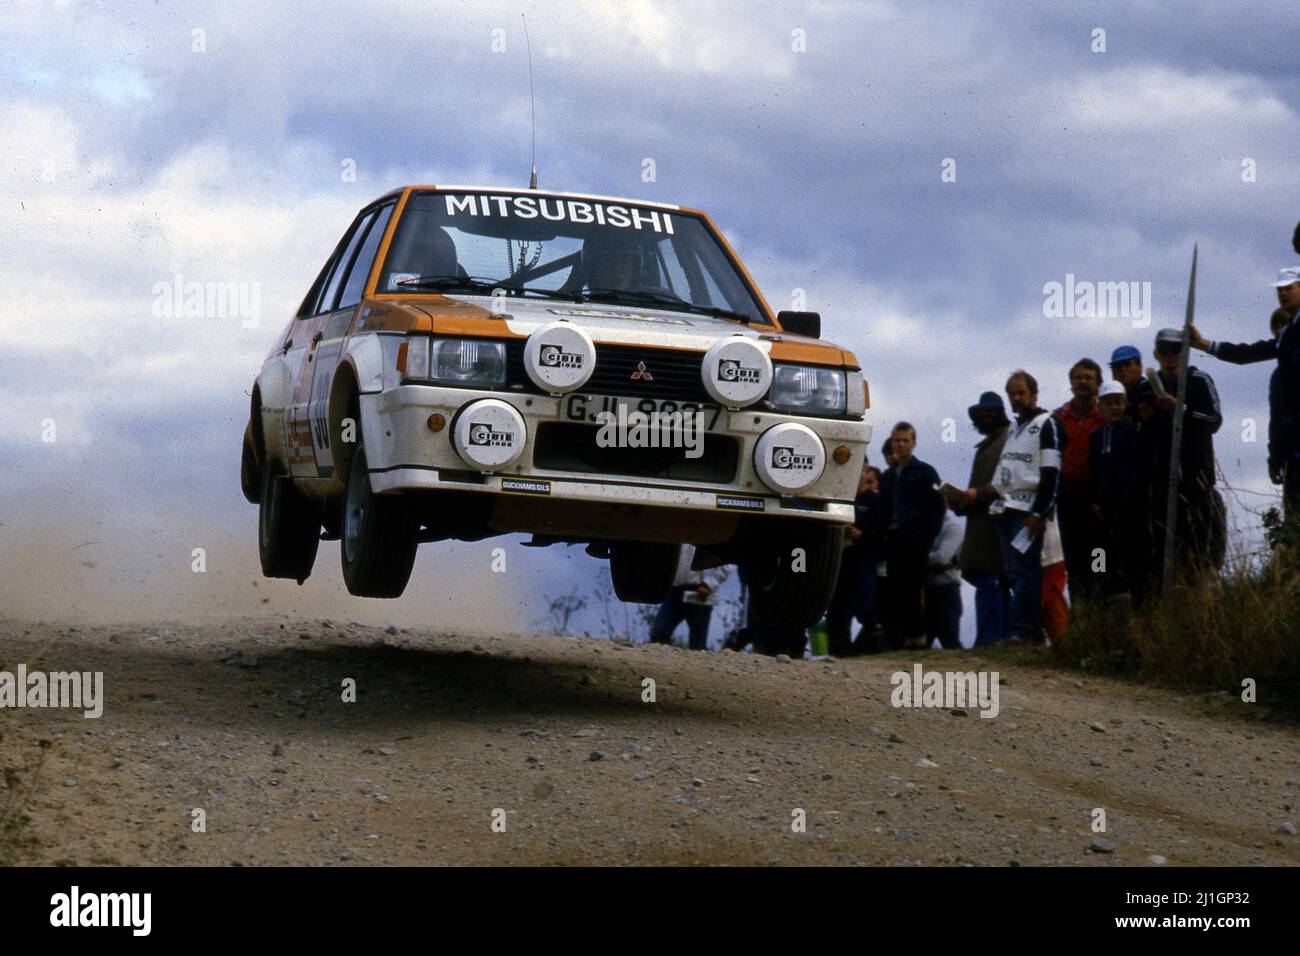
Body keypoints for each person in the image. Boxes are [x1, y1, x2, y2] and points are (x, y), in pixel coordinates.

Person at [1191, 270, 1300, 516]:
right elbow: (1249, 353)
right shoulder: (1290, 334)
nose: (1282, 294)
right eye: (1279, 290)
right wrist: (1205, 345)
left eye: (1289, 288)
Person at [1133, 328, 1223, 587]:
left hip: (1197, 479)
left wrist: (1181, 409)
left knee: (1202, 546)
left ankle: (1205, 604)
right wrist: (1147, 415)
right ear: (1156, 355)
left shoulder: (1198, 380)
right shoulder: (1146, 387)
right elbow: (1137, 431)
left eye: (1177, 351)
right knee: (1164, 548)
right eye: (1165, 351)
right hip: (1161, 481)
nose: (1171, 357)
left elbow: (1214, 420)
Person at [990, 371, 1063, 643]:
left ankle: (1025, 630)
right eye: (1012, 393)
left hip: (1028, 512)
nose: (1016, 398)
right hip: (1006, 509)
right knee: (1012, 573)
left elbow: (1052, 472)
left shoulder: (1047, 424)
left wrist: (1040, 512)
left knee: (1026, 571)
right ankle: (1020, 631)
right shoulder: (1013, 428)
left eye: (1021, 392)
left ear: (1034, 394)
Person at [877, 422, 945, 650]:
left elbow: (937, 508)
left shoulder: (925, 472)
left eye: (906, 440)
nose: (902, 445)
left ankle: (917, 638)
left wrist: (925, 537)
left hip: (915, 539)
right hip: (892, 539)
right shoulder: (887, 476)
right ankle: (898, 640)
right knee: (893, 589)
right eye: (898, 440)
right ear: (892, 442)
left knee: (913, 588)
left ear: (913, 443)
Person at [1089, 380, 1152, 604]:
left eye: (1118, 402)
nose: (1114, 407)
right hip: (1101, 511)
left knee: (1134, 555)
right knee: (1100, 554)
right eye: (1108, 403)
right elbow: (1094, 470)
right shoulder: (1095, 436)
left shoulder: (1133, 430)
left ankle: (1140, 602)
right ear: (1099, 407)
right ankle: (1103, 593)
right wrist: (1094, 500)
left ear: (1125, 403)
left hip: (1130, 508)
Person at [957, 391, 1011, 646]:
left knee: (992, 584)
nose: (985, 417)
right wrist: (959, 501)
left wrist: (975, 495)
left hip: (996, 526)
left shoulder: (1006, 441)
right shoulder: (989, 446)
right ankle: (992, 639)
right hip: (982, 527)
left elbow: (1005, 484)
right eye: (982, 413)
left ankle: (991, 640)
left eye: (990, 412)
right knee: (990, 583)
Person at [1053, 359, 1105, 603]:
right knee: (1073, 559)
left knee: (1099, 556)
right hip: (1068, 497)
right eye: (1078, 377)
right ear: (1071, 383)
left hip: (1098, 498)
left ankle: (1100, 612)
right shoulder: (1059, 417)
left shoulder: (1106, 415)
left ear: (1098, 384)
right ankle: (1082, 615)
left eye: (1088, 377)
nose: (1082, 382)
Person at [827, 464, 886, 656]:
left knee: (863, 605)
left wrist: (862, 535)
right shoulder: (842, 499)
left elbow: (881, 533)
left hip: (865, 558)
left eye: (863, 473)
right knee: (838, 605)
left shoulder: (874, 499)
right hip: (843, 558)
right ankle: (839, 650)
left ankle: (876, 647)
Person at [649, 545, 731, 650]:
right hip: (675, 590)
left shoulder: (710, 533)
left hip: (700, 591)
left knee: (698, 643)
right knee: (659, 633)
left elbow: (727, 563)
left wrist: (710, 584)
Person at [925, 503, 964, 650]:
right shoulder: (927, 528)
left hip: (946, 590)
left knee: (950, 641)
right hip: (928, 590)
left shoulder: (952, 529)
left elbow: (942, 557)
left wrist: (916, 559)